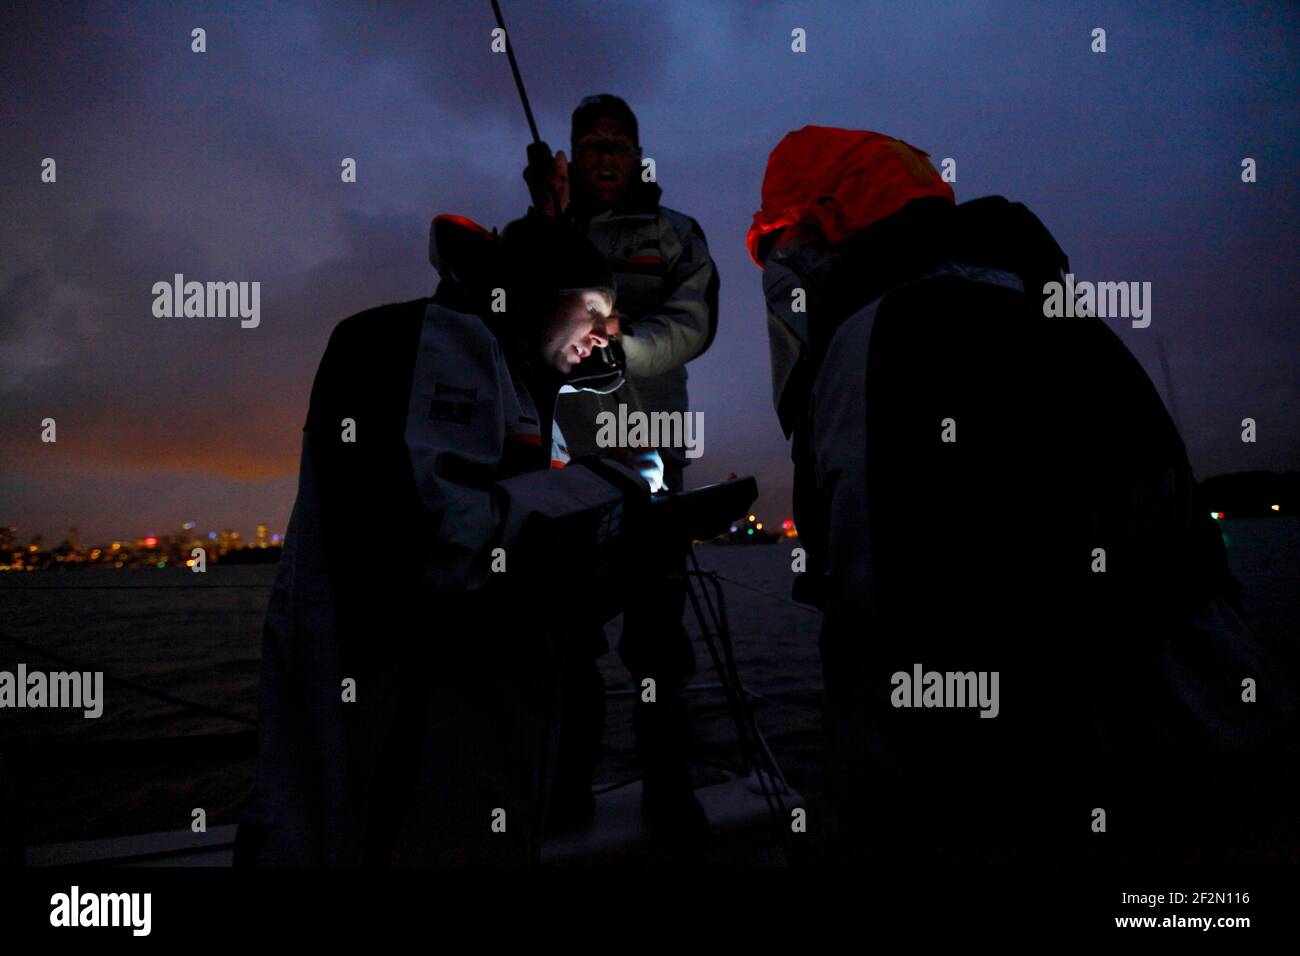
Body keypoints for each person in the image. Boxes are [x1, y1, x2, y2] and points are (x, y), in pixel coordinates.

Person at [748, 125, 1298, 865]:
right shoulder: (1055, 311)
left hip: (1036, 799)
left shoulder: (878, 341)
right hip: (1215, 765)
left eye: (779, 243)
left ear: (829, 226)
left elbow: (882, 634)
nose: (777, 271)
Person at [234, 213, 659, 865]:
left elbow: (508, 568)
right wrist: (611, 488)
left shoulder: (513, 376)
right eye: (598, 307)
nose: (609, 331)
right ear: (543, 291)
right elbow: (440, 548)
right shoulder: (432, 341)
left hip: (465, 789)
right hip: (399, 796)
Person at [518, 94, 720, 840]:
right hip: (561, 460)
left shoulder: (677, 235)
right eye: (591, 143)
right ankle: (568, 788)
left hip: (651, 452)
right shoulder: (542, 232)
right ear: (572, 155)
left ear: (638, 153)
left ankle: (670, 788)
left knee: (656, 632)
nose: (606, 154)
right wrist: (544, 218)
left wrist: (619, 342)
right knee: (563, 633)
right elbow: (502, 305)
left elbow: (693, 323)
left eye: (618, 142)